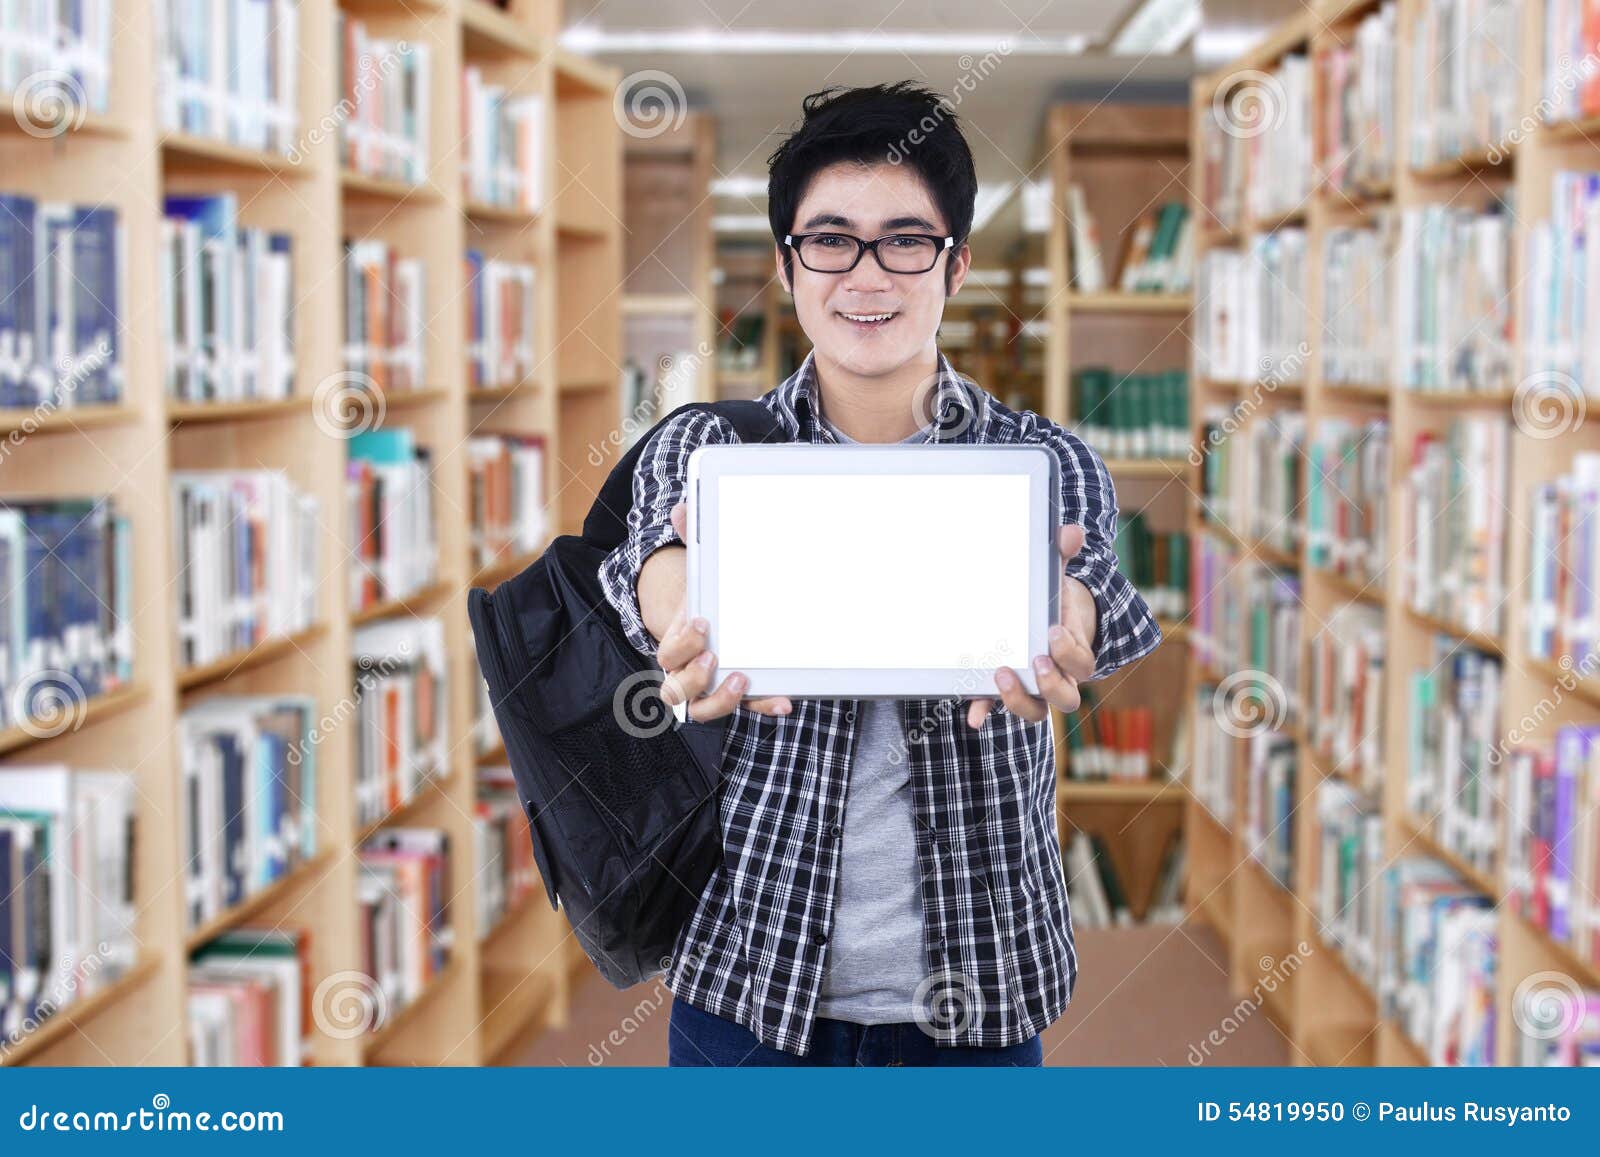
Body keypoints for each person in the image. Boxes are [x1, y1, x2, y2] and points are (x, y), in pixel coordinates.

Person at [597, 82, 1161, 1067]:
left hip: (978, 995)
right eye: (830, 239)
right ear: (786, 265)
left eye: (906, 239)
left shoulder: (1047, 461)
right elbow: (655, 559)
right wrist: (680, 625)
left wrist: (1063, 626)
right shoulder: (702, 445)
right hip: (745, 988)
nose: (867, 272)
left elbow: (1088, 596)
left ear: (956, 265)